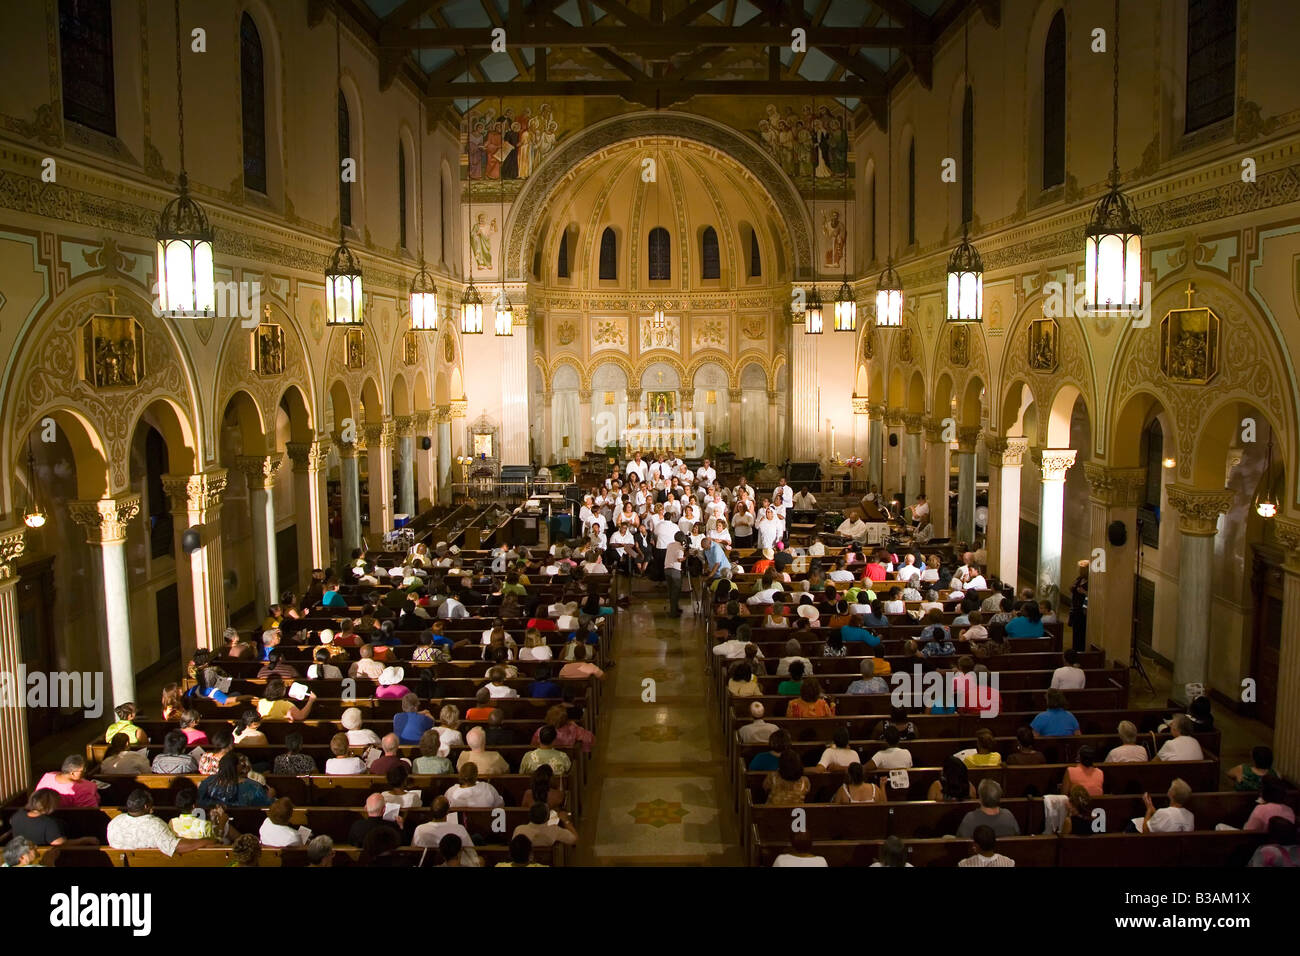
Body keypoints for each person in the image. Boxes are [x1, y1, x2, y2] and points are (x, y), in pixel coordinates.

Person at [107, 789, 216, 856]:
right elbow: (174, 847)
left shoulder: (114, 823)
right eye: (151, 804)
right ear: (146, 806)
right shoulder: (154, 825)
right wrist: (206, 841)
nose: (153, 808)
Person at [8, 789, 98, 847]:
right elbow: (59, 843)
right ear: (51, 805)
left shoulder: (17, 815)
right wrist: (84, 840)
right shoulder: (49, 823)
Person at [955, 779, 1020, 838]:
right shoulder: (1008, 816)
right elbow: (1017, 836)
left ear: (980, 799)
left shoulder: (969, 818)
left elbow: (960, 841)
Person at [513, 802, 580, 848]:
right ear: (547, 818)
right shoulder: (554, 830)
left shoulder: (519, 830)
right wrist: (566, 820)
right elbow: (575, 839)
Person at [1068, 562, 1089, 653]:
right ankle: (1075, 649)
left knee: (1081, 631)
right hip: (1075, 607)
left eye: (1081, 569)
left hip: (1083, 609)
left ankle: (1080, 650)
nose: (1079, 571)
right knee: (1075, 630)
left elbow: (1093, 596)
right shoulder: (1079, 578)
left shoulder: (1091, 581)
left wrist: (1084, 592)